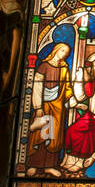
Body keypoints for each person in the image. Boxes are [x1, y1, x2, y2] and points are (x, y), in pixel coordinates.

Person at [25, 40, 71, 176]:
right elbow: (38, 87)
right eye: (62, 51)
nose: (64, 54)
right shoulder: (44, 66)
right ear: (56, 50)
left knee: (53, 135)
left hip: (58, 106)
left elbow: (67, 87)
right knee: (41, 134)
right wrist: (38, 106)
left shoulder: (64, 69)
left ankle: (50, 166)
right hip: (44, 104)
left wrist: (67, 99)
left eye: (67, 53)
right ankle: (34, 165)